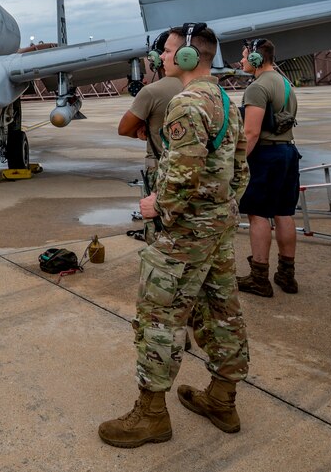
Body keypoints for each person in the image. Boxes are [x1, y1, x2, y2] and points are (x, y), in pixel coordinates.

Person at [99, 23, 250, 448]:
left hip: (182, 235)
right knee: (222, 311)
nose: (160, 58)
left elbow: (181, 180)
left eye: (166, 51)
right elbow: (240, 171)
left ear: (186, 56)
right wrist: (220, 212)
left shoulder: (186, 103)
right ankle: (223, 397)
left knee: (158, 318)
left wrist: (156, 206)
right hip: (218, 228)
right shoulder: (224, 98)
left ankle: (151, 415)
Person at [235, 38, 302, 297]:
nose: (241, 61)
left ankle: (259, 277)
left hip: (265, 155)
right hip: (287, 153)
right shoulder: (286, 84)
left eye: (244, 57)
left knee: (258, 214)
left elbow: (251, 132)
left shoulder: (258, 87)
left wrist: (237, 162)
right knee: (284, 213)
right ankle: (287, 275)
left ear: (255, 58)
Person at [118, 32, 183, 196]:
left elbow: (124, 129)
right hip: (199, 170)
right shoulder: (209, 88)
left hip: (163, 170)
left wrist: (145, 130)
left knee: (158, 219)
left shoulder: (152, 92)